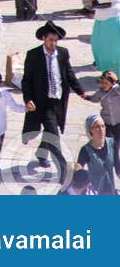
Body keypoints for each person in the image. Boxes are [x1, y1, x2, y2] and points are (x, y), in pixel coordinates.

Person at [21, 20, 91, 164]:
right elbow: (26, 80)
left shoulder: (63, 53)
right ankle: (62, 165)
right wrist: (28, 99)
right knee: (53, 134)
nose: (53, 43)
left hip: (58, 100)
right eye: (50, 40)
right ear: (44, 39)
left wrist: (80, 91)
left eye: (55, 40)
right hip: (42, 102)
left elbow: (69, 74)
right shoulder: (33, 55)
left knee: (50, 129)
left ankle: (41, 154)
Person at [76, 112, 118, 194]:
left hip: (111, 191)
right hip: (94, 192)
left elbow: (118, 168)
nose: (101, 129)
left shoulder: (112, 143)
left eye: (103, 126)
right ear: (90, 130)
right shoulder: (85, 150)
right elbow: (78, 168)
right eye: (97, 127)